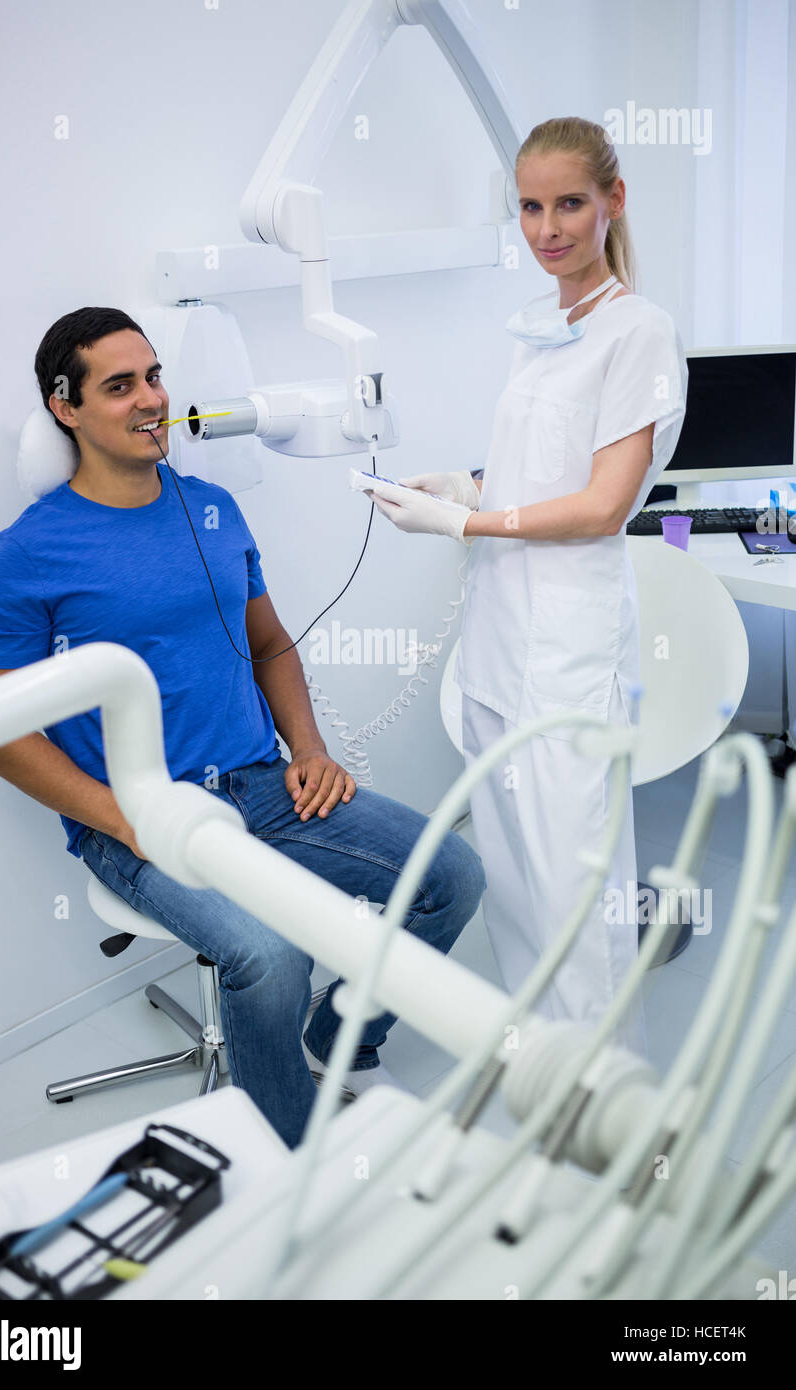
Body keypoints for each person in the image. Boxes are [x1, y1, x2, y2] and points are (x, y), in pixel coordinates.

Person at [0, 306, 485, 1149]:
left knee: (452, 875)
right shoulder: (27, 555)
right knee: (274, 954)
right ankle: (280, 1160)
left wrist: (308, 752)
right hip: (136, 819)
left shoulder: (210, 510)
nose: (151, 400)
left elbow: (271, 644)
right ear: (66, 407)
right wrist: (120, 816)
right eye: (120, 385)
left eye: (156, 376)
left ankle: (339, 1043)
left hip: (261, 785)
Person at [365, 117, 688, 1056]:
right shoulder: (541, 329)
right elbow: (538, 479)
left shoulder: (640, 334)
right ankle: (541, 1058)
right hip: (500, 639)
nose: (548, 228)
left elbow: (601, 506)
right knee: (509, 867)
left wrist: (466, 523)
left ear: (612, 202)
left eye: (570, 204)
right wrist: (465, 489)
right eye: (531, 207)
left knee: (575, 880)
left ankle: (596, 1094)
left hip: (568, 646)